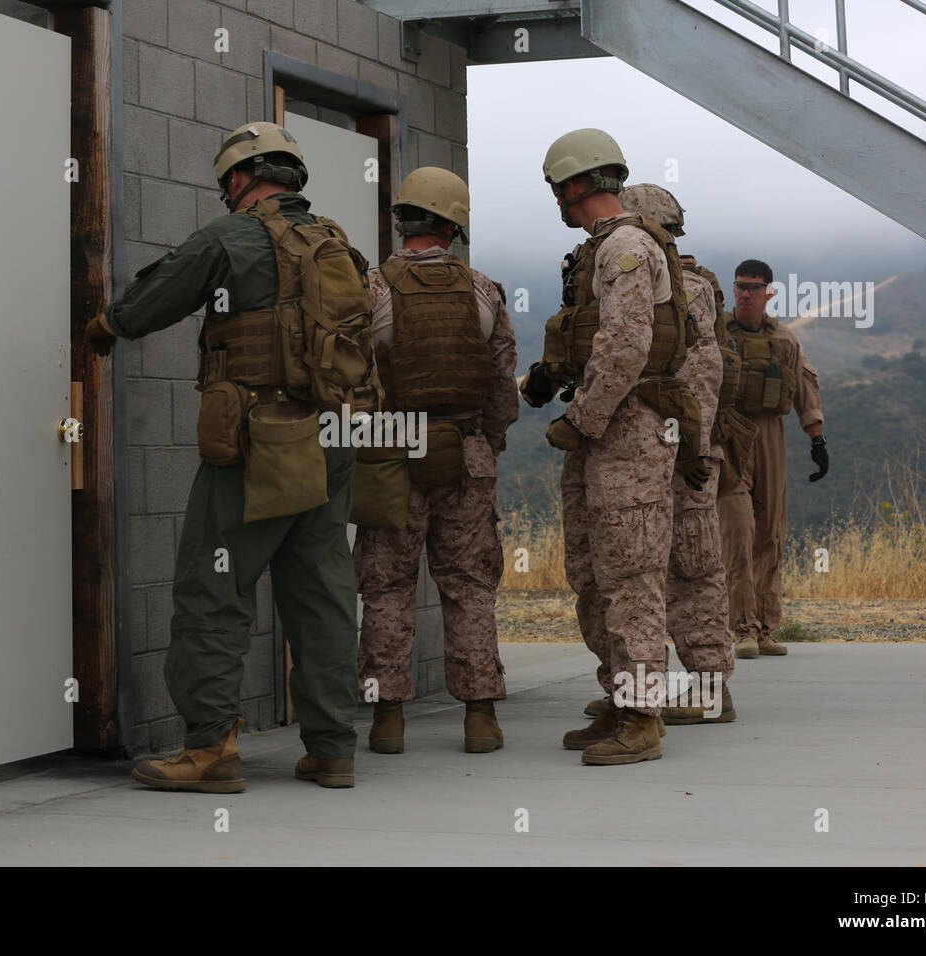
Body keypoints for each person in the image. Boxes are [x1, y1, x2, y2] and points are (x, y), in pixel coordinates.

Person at [85, 121, 376, 790]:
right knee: (323, 594)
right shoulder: (334, 242)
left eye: (226, 182)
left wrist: (105, 326)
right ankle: (332, 749)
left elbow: (160, 293)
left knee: (213, 587)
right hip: (332, 438)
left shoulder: (233, 236)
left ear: (241, 177)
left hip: (261, 443)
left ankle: (210, 750)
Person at [521, 130, 698, 764]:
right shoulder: (600, 250)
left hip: (627, 434)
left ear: (574, 185)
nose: (558, 204)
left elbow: (625, 348)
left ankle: (642, 718)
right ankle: (621, 700)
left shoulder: (624, 248)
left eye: (557, 190)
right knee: (593, 577)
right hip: (606, 437)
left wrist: (585, 419)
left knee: (630, 577)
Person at [353, 167, 519, 754]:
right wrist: (485, 440)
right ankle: (479, 718)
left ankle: (387, 721)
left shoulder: (370, 287)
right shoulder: (484, 291)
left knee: (385, 587)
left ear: (404, 221)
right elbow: (503, 387)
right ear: (453, 223)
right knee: (470, 585)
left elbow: (356, 379)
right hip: (467, 454)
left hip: (391, 455)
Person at [618, 183, 736, 724]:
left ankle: (710, 688)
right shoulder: (674, 278)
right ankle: (658, 689)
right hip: (675, 449)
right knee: (666, 570)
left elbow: (701, 377)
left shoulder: (679, 286)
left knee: (690, 569)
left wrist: (688, 448)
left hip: (677, 455)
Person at [718, 259, 827, 658]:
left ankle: (765, 628)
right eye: (740, 286)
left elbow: (804, 387)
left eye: (753, 287)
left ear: (768, 293)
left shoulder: (784, 340)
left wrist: (817, 441)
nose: (745, 294)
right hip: (729, 434)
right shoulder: (717, 337)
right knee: (738, 532)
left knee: (770, 534)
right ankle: (743, 627)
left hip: (770, 435)